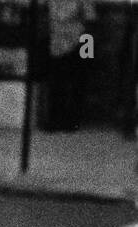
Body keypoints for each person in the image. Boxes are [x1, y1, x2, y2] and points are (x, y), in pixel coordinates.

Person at [44, 0, 94, 132]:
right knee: (57, 81)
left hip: (80, 40)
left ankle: (72, 120)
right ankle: (55, 119)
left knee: (78, 82)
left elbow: (90, 19)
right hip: (58, 40)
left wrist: (87, 48)